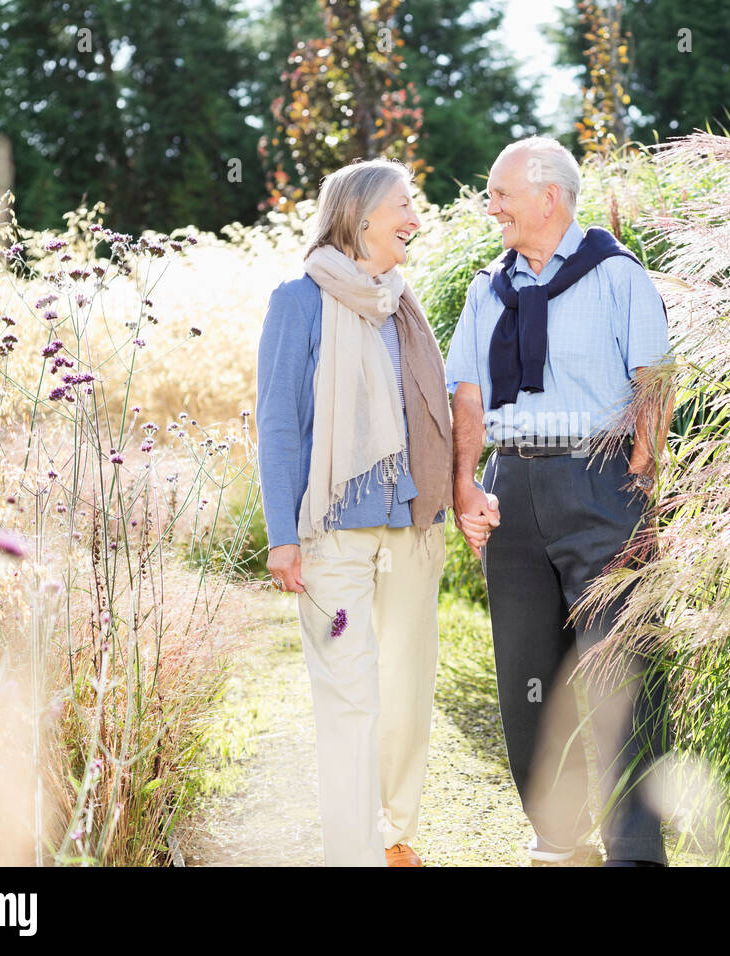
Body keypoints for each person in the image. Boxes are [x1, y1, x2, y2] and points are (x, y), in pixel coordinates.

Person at [446, 136, 672, 867]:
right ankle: (557, 837)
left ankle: (633, 850)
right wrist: (464, 482)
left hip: (602, 485)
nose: (493, 207)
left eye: (500, 193)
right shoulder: (488, 288)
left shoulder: (617, 275)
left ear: (549, 196)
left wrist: (637, 472)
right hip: (513, 491)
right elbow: (470, 397)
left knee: (622, 669)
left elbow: (655, 381)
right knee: (525, 676)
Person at [255, 158, 454, 867]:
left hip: (409, 529)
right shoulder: (298, 301)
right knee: (348, 695)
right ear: (364, 214)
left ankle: (396, 831)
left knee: (405, 686)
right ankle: (353, 853)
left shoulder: (400, 299)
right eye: (406, 204)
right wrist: (283, 537)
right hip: (332, 534)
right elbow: (278, 424)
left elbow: (429, 409)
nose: (415, 218)